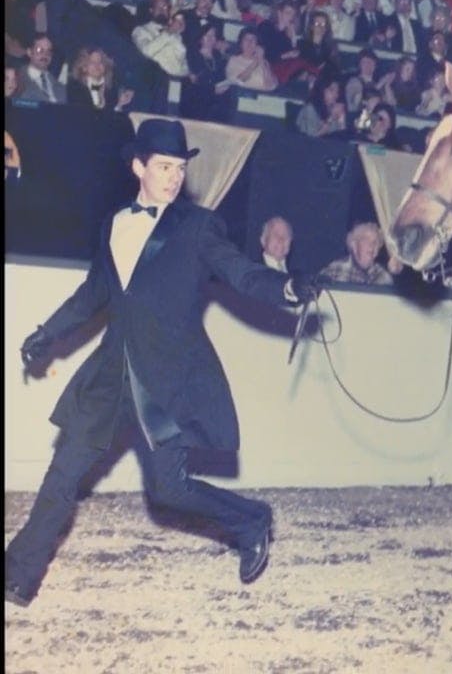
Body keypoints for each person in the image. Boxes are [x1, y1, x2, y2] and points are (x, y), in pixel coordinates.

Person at [6, 119, 320, 608]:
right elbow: (95, 292)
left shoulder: (197, 227)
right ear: (139, 167)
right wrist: (47, 333)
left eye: (180, 168)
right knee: (63, 475)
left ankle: (250, 519)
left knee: (168, 492)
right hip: (111, 376)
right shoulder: (115, 223)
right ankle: (18, 575)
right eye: (165, 166)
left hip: (166, 384)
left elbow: (240, 273)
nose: (175, 177)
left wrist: (286, 288)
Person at [320, 222, 395, 285]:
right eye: (366, 239)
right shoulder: (335, 270)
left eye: (376, 242)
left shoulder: (383, 276)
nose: (372, 245)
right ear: (354, 245)